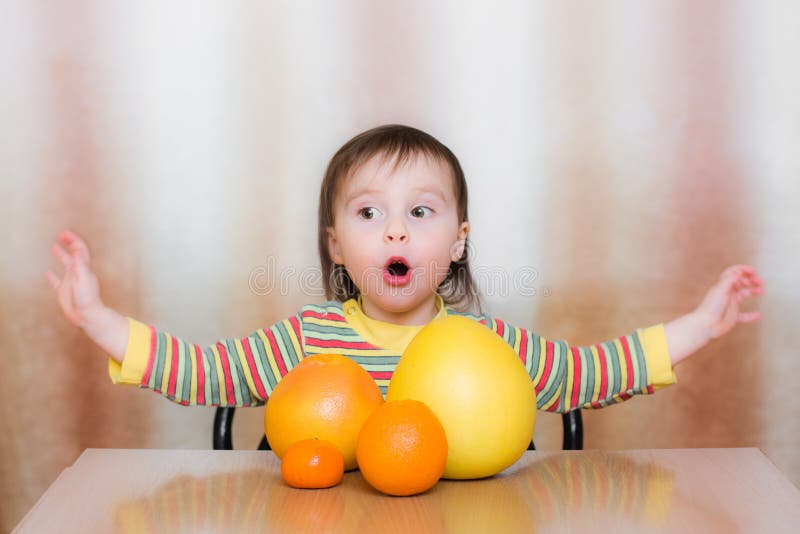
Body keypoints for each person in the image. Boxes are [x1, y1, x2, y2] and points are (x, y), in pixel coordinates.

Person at [46, 124, 763, 412]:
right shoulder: (305, 343)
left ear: (458, 241)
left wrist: (700, 325)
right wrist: (98, 318)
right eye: (367, 214)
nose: (394, 227)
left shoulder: (486, 347)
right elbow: (206, 371)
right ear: (334, 246)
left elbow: (590, 374)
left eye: (420, 213)